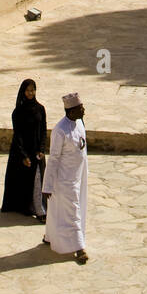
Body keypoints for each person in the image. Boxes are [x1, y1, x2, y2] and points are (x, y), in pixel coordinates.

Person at [42, 92, 89, 263]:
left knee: (60, 211)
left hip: (78, 176)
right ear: (71, 110)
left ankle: (49, 237)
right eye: (80, 108)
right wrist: (47, 186)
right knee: (72, 212)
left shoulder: (79, 124)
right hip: (64, 181)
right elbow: (53, 159)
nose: (84, 110)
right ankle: (79, 248)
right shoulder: (60, 130)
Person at [1, 79, 47, 220]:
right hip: (23, 151)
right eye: (27, 90)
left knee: (38, 180)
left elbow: (43, 130)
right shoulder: (18, 112)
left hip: (37, 151)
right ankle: (36, 209)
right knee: (27, 182)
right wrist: (23, 155)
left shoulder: (40, 109)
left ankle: (40, 208)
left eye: (32, 90)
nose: (30, 93)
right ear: (23, 92)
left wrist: (42, 148)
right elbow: (18, 135)